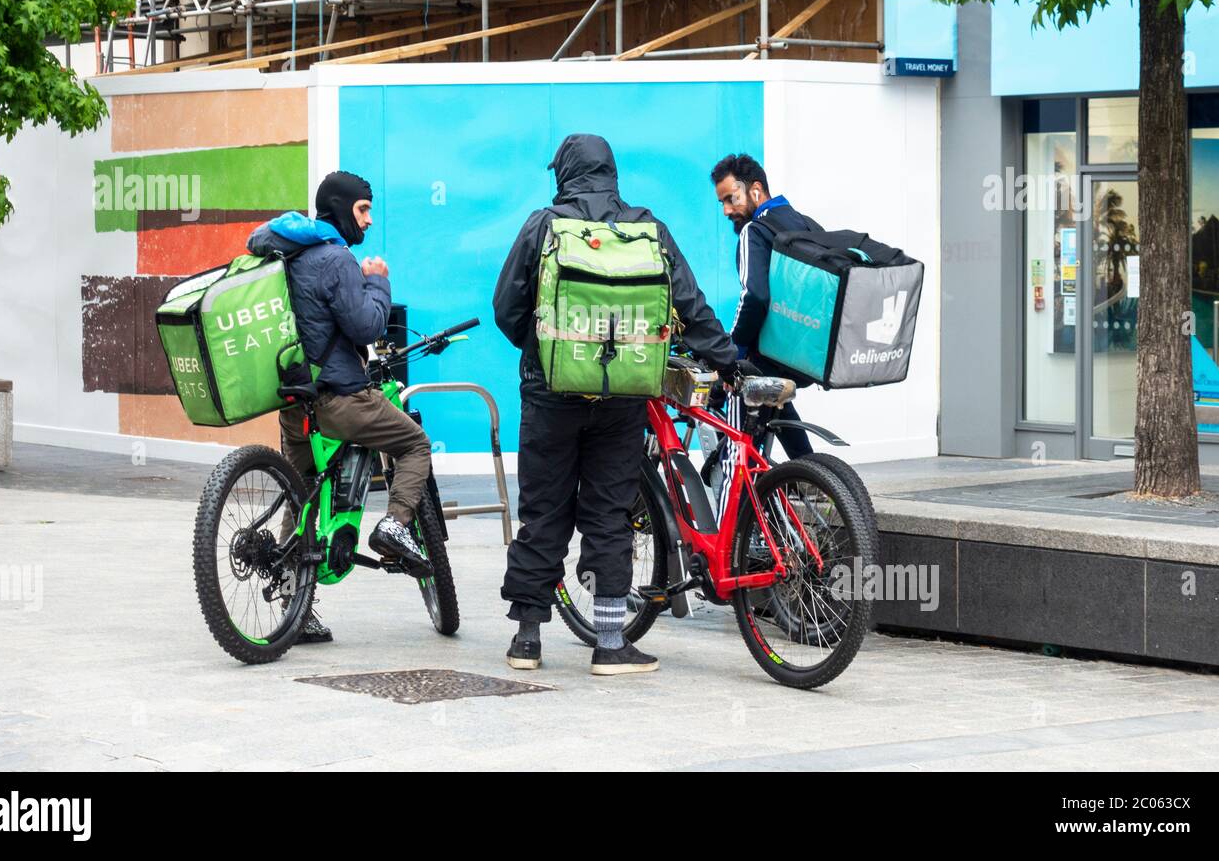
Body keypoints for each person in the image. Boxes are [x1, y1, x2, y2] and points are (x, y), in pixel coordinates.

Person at [494, 134, 740, 676]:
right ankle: (610, 643)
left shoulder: (543, 225)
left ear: (564, 174)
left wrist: (546, 352)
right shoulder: (648, 228)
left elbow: (506, 307)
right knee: (609, 513)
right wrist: (727, 359)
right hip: (623, 395)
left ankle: (527, 640)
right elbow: (690, 305)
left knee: (544, 509)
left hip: (550, 394)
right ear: (612, 172)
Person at [246, 170, 434, 643]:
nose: (369, 220)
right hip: (339, 398)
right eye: (363, 209)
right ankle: (393, 525)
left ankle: (298, 609)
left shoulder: (286, 252)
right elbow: (367, 327)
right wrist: (378, 283)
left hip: (295, 401)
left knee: (301, 490)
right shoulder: (336, 259)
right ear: (341, 206)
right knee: (414, 445)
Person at [709, 153, 825, 515]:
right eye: (722, 202)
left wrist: (732, 353)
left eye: (732, 198)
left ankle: (728, 552)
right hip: (799, 355)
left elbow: (754, 296)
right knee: (776, 405)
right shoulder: (805, 225)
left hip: (763, 359)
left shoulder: (754, 231)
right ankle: (817, 479)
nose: (727, 210)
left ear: (755, 191)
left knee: (734, 456)